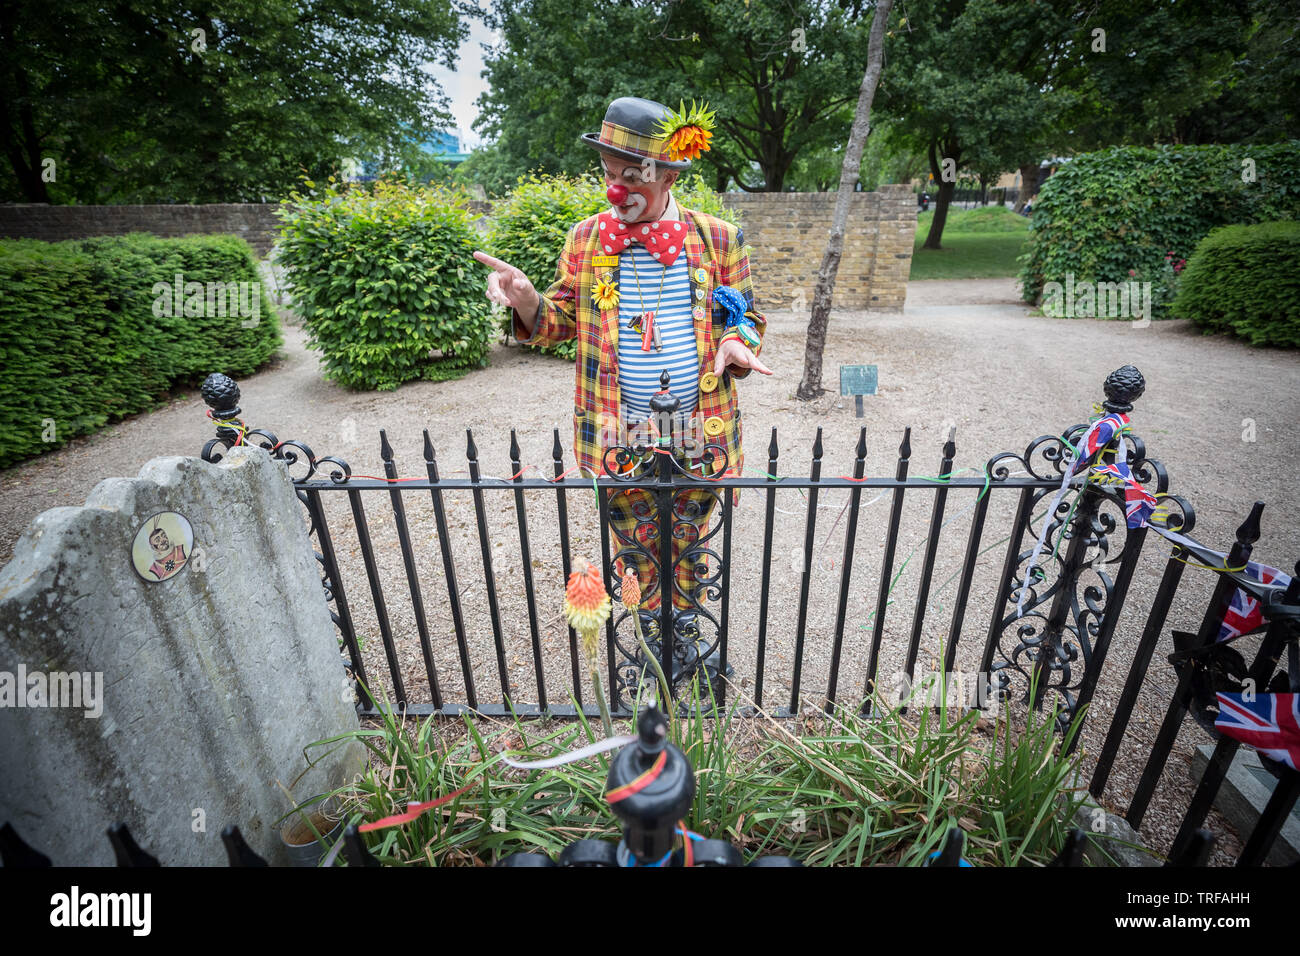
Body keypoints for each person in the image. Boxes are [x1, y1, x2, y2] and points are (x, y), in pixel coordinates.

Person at [473, 96, 772, 660]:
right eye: (610, 175)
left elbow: (747, 314)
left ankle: (683, 636)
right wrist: (530, 300)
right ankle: (647, 641)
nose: (616, 189)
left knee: (688, 544)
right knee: (631, 545)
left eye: (631, 177)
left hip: (698, 428)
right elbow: (559, 321)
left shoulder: (719, 238)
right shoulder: (586, 238)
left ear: (668, 174)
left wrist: (736, 343)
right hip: (617, 431)